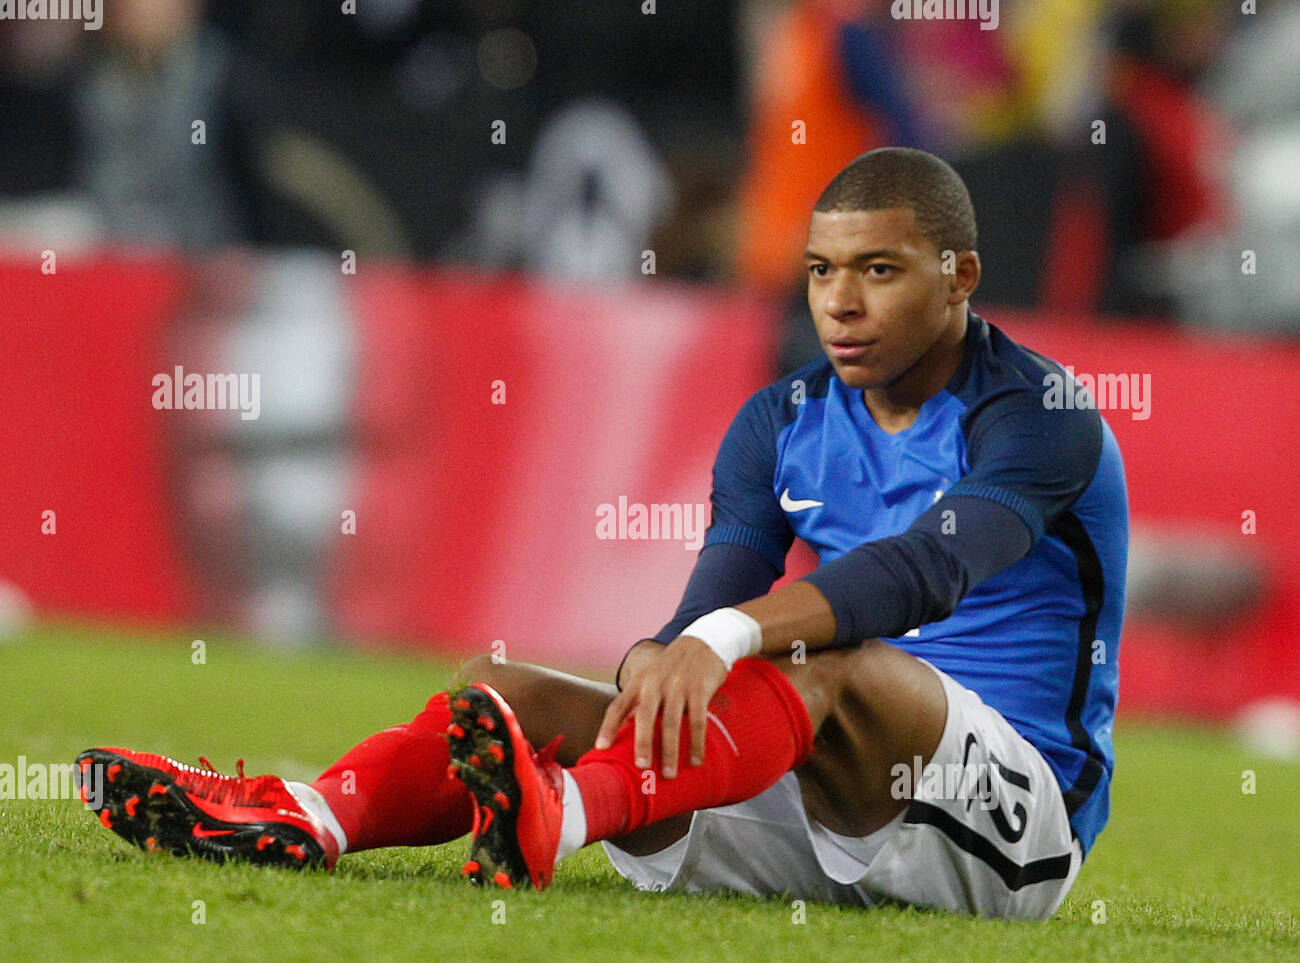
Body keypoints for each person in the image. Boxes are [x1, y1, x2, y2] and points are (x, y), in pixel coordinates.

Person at [78, 147, 1128, 920]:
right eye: (820, 271)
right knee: (515, 691)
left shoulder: (1040, 414)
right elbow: (708, 601)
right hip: (831, 797)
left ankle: (562, 817)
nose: (840, 305)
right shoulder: (780, 423)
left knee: (824, 658)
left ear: (961, 277)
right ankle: (306, 815)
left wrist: (722, 642)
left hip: (1011, 827)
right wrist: (663, 654)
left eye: (879, 271)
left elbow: (929, 570)